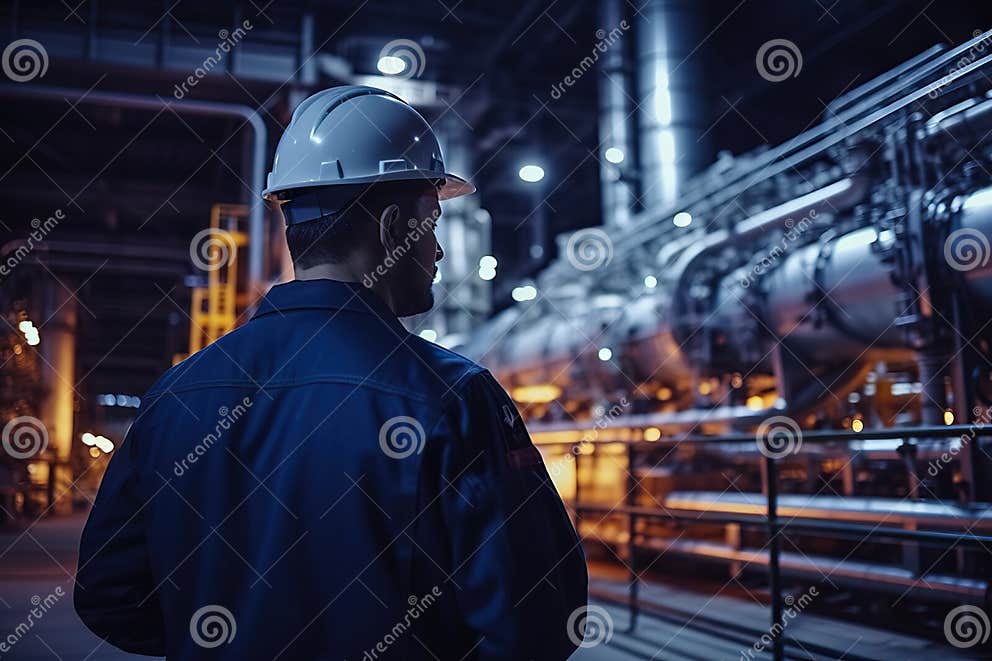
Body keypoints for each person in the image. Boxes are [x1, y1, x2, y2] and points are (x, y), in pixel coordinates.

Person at [74, 85, 588, 660]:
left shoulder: (177, 394)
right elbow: (540, 619)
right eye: (433, 222)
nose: (438, 250)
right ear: (394, 227)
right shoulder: (450, 396)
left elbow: (111, 596)